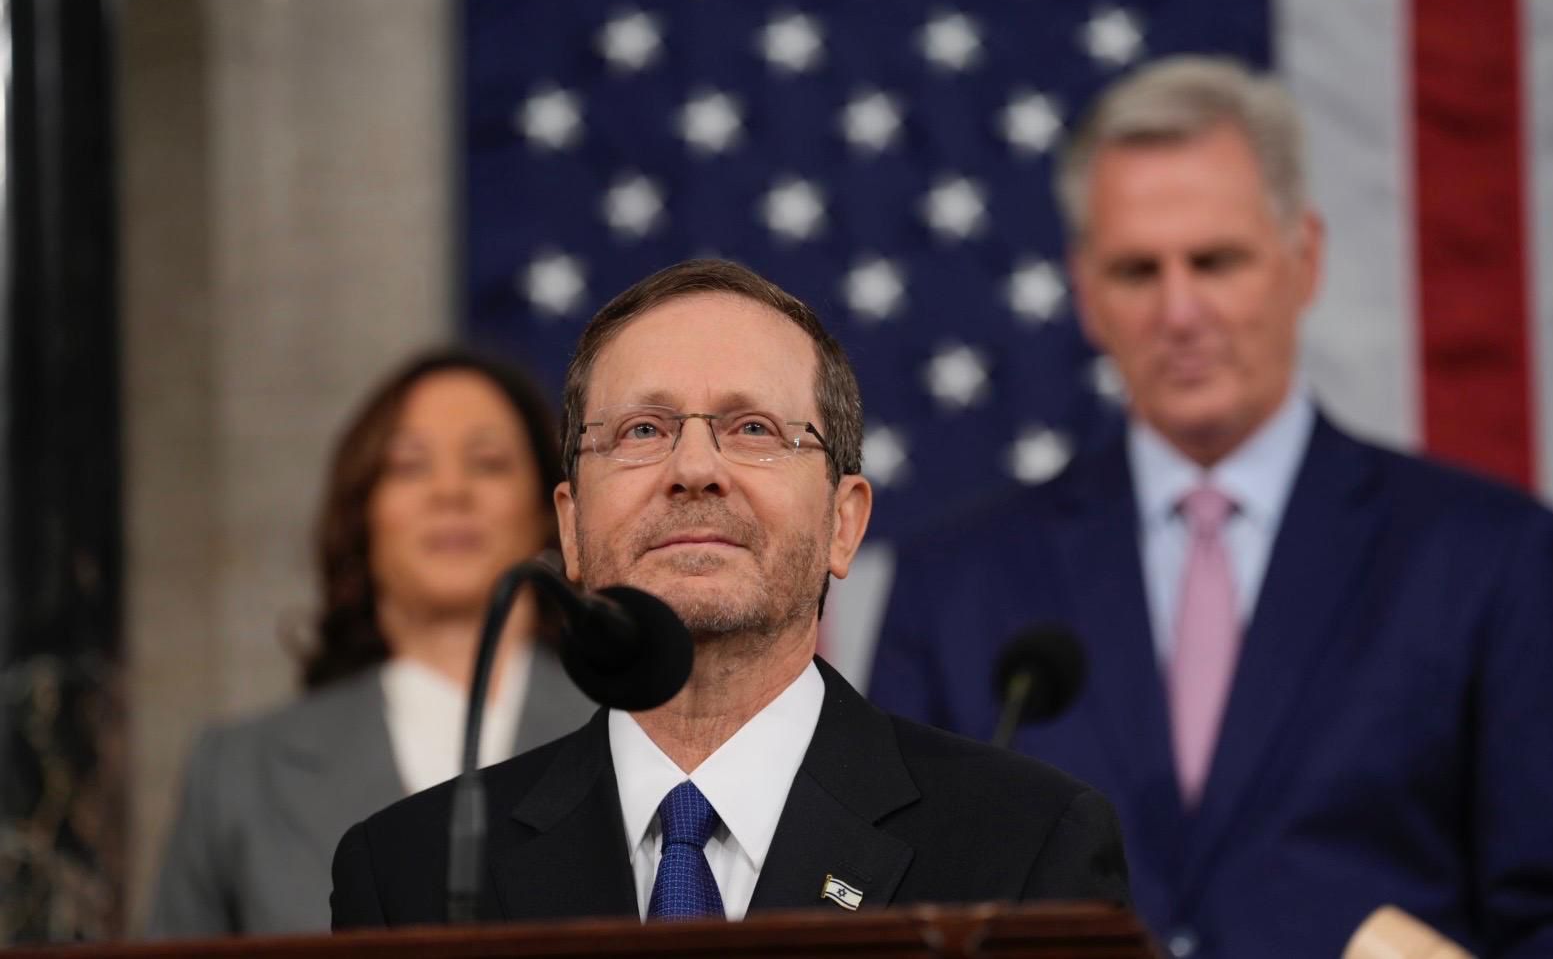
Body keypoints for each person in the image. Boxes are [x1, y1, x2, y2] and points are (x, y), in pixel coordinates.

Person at [868, 56, 1553, 958]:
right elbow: (879, 905)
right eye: (1137, 270)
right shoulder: (955, 585)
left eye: (1215, 260)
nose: (1179, 310)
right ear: (1085, 294)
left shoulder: (1488, 557)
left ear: (1302, 261)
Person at [330, 259, 1130, 927]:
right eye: (643, 430)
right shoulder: (407, 874)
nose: (693, 469)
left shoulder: (1023, 850)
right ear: (568, 529)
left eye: (753, 430)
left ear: (844, 523)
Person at [147, 350, 595, 937]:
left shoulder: (633, 734)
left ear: (550, 510)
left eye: (488, 463)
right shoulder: (236, 774)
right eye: (409, 465)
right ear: (361, 514)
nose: (450, 490)